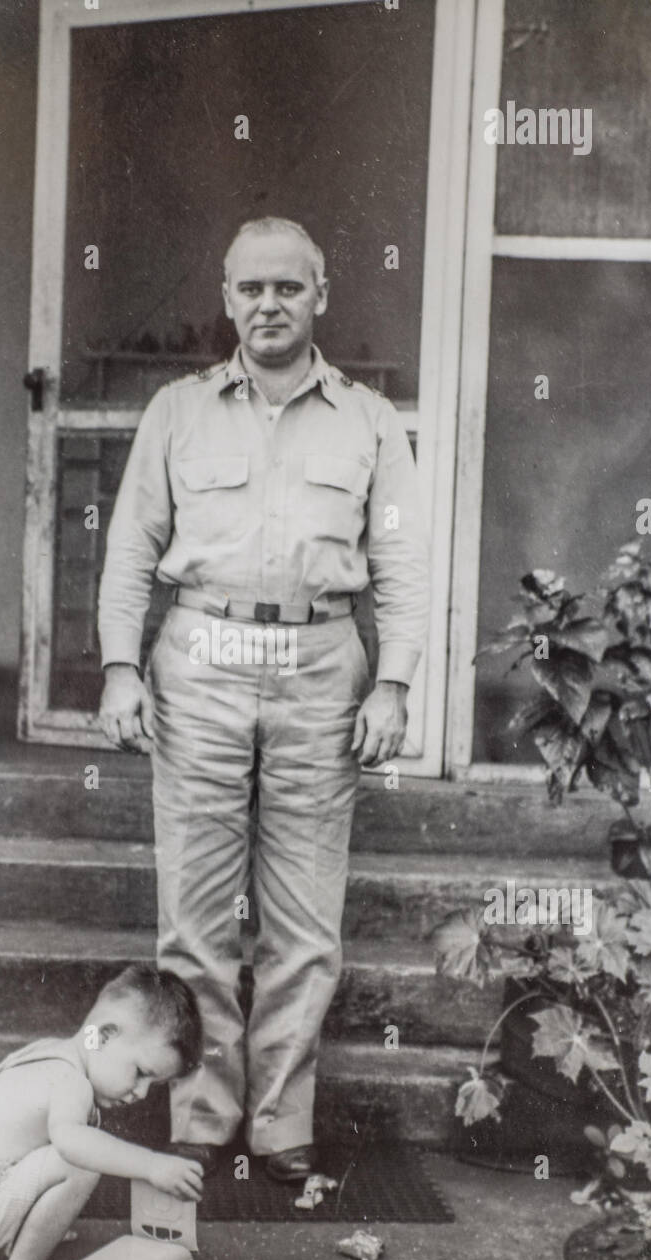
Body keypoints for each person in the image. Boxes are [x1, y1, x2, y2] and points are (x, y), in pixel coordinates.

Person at [98, 216, 429, 1183]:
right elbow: (128, 548)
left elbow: (402, 565)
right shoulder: (177, 411)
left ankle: (281, 1129)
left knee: (303, 922)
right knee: (194, 915)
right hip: (199, 654)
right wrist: (122, 665)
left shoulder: (370, 420)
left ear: (320, 294)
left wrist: (395, 681)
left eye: (288, 287)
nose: (269, 304)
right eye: (251, 289)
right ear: (227, 296)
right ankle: (201, 1118)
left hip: (322, 662)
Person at [0, 965, 203, 1260]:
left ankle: (28, 1233)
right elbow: (71, 1143)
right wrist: (152, 1165)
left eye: (154, 1084)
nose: (142, 1093)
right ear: (104, 1036)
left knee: (73, 1145)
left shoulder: (52, 1051)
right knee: (80, 1159)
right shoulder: (71, 1081)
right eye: (141, 1073)